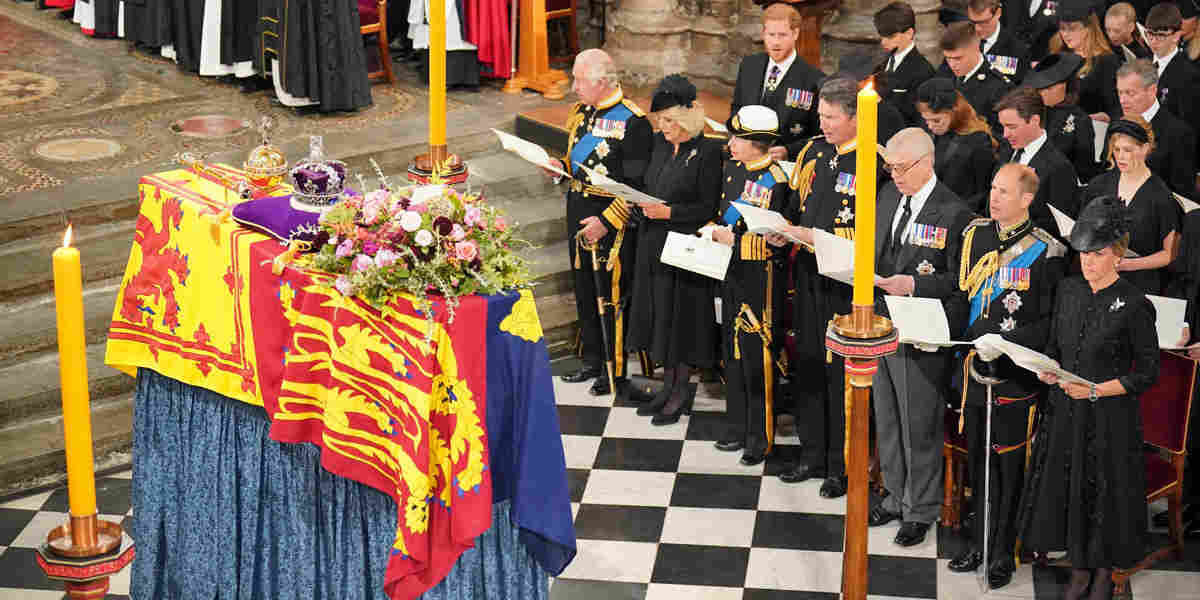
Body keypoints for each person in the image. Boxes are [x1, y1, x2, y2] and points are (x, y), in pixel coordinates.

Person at [1013, 195, 1159, 600]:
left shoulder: (1134, 304)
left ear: (1117, 255)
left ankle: (1103, 571)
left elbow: (1147, 373)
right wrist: (1049, 369)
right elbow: (1058, 347)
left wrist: (1096, 389)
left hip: (1111, 418)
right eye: (1083, 254)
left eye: (1097, 254)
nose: (1087, 262)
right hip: (1067, 411)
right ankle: (1079, 566)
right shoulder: (1069, 291)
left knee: (1104, 495)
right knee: (1072, 489)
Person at [947, 164, 1067, 588]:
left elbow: (1052, 321)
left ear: (1026, 199)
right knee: (980, 461)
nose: (993, 197)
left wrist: (1005, 341)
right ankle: (980, 542)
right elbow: (963, 297)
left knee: (1009, 466)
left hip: (1017, 375)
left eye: (1003, 191)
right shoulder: (977, 235)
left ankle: (1004, 551)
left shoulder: (1047, 251)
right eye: (992, 188)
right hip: (976, 370)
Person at [774, 77, 887, 498]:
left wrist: (812, 234)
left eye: (831, 118)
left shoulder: (874, 162)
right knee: (807, 362)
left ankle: (842, 465)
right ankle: (812, 452)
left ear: (856, 119)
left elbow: (873, 232)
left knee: (840, 373)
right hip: (807, 274)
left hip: (845, 283)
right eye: (820, 116)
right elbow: (793, 205)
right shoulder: (813, 152)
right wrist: (783, 230)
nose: (823, 124)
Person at [867, 128, 974, 548]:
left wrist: (912, 283)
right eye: (889, 166)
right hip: (881, 323)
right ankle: (894, 495)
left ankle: (921, 508)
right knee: (888, 418)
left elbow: (959, 281)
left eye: (901, 167)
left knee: (918, 425)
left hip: (922, 329)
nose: (893, 174)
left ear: (927, 162)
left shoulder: (954, 212)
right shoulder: (889, 196)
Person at [551, 49, 654, 396]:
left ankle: (616, 369)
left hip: (611, 222)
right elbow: (576, 162)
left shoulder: (634, 122)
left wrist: (607, 223)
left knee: (610, 295)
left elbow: (638, 188)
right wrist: (556, 167)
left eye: (579, 80)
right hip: (578, 210)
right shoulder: (581, 113)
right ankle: (592, 359)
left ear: (601, 81)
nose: (573, 86)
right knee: (583, 288)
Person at [626, 74, 723, 424]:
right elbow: (648, 183)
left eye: (669, 120)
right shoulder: (660, 145)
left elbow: (709, 206)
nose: (663, 127)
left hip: (684, 247)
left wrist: (670, 212)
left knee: (680, 320)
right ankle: (666, 386)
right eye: (660, 120)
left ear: (688, 117)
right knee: (660, 317)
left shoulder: (709, 152)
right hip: (653, 242)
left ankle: (680, 390)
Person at [708, 105, 792, 464]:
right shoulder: (731, 170)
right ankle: (738, 424)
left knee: (757, 357)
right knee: (732, 352)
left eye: (737, 138)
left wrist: (736, 243)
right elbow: (722, 215)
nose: (730, 144)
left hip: (762, 280)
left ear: (757, 142)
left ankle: (761, 436)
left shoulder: (778, 181)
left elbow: (780, 241)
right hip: (730, 274)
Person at [1081, 118, 1181, 294]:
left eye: (1128, 150)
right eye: (1117, 149)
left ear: (1145, 148)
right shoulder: (1099, 185)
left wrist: (1130, 265)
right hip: (1097, 276)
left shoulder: (1160, 196)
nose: (1120, 156)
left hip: (1138, 283)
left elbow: (1169, 254)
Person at [729, 2, 826, 161]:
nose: (775, 42)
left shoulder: (814, 79)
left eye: (782, 35)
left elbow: (819, 135)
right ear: (763, 33)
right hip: (745, 160)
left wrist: (790, 151)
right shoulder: (749, 65)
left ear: (795, 33)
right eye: (771, 35)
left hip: (783, 165)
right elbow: (737, 107)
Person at [1162, 206, 1200, 537]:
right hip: (1192, 343)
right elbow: (1181, 279)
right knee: (1193, 427)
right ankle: (1188, 504)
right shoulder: (1195, 220)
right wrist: (1182, 323)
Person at [994, 86, 1080, 231]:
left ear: (1034, 120)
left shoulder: (1059, 167)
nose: (1005, 134)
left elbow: (1060, 225)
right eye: (1003, 126)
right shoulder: (1006, 152)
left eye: (1011, 127)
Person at [1111, 58, 1198, 198]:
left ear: (1152, 91)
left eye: (1130, 93)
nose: (1122, 100)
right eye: (1120, 92)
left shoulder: (1178, 133)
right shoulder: (1116, 118)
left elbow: (1183, 194)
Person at [914, 78, 1000, 205]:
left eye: (936, 120)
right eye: (927, 120)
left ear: (955, 112)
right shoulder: (932, 133)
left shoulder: (977, 141)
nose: (930, 126)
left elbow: (983, 192)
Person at [1025, 53, 1100, 181]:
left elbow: (1084, 169)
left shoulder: (1079, 119)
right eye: (1040, 88)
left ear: (1065, 86)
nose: (1042, 92)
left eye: (1048, 87)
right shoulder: (1031, 113)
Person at [1049, 0, 1122, 120]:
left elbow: (1115, 107)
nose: (1066, 34)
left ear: (1088, 28)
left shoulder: (1106, 61)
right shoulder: (1058, 54)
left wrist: (1105, 117)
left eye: (1072, 29)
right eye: (1062, 28)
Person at [937, 21, 1015, 134]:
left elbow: (1002, 135)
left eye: (958, 58)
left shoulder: (999, 87)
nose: (952, 65)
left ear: (976, 48)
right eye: (948, 58)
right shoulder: (945, 73)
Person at [1144, 3, 1200, 159]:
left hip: (1169, 157)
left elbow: (1188, 128)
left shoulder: (1188, 75)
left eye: (1161, 35)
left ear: (1176, 35)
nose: (1153, 41)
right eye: (1150, 34)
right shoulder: (1142, 63)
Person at [875, 1, 938, 126]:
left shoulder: (924, 71)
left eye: (890, 36)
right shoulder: (882, 62)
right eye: (882, 36)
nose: (883, 42)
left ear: (909, 33)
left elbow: (917, 118)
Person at [967, 0, 1032, 83]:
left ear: (998, 13)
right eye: (973, 22)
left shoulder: (1018, 50)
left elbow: (1021, 88)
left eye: (984, 22)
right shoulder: (961, 39)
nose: (977, 28)